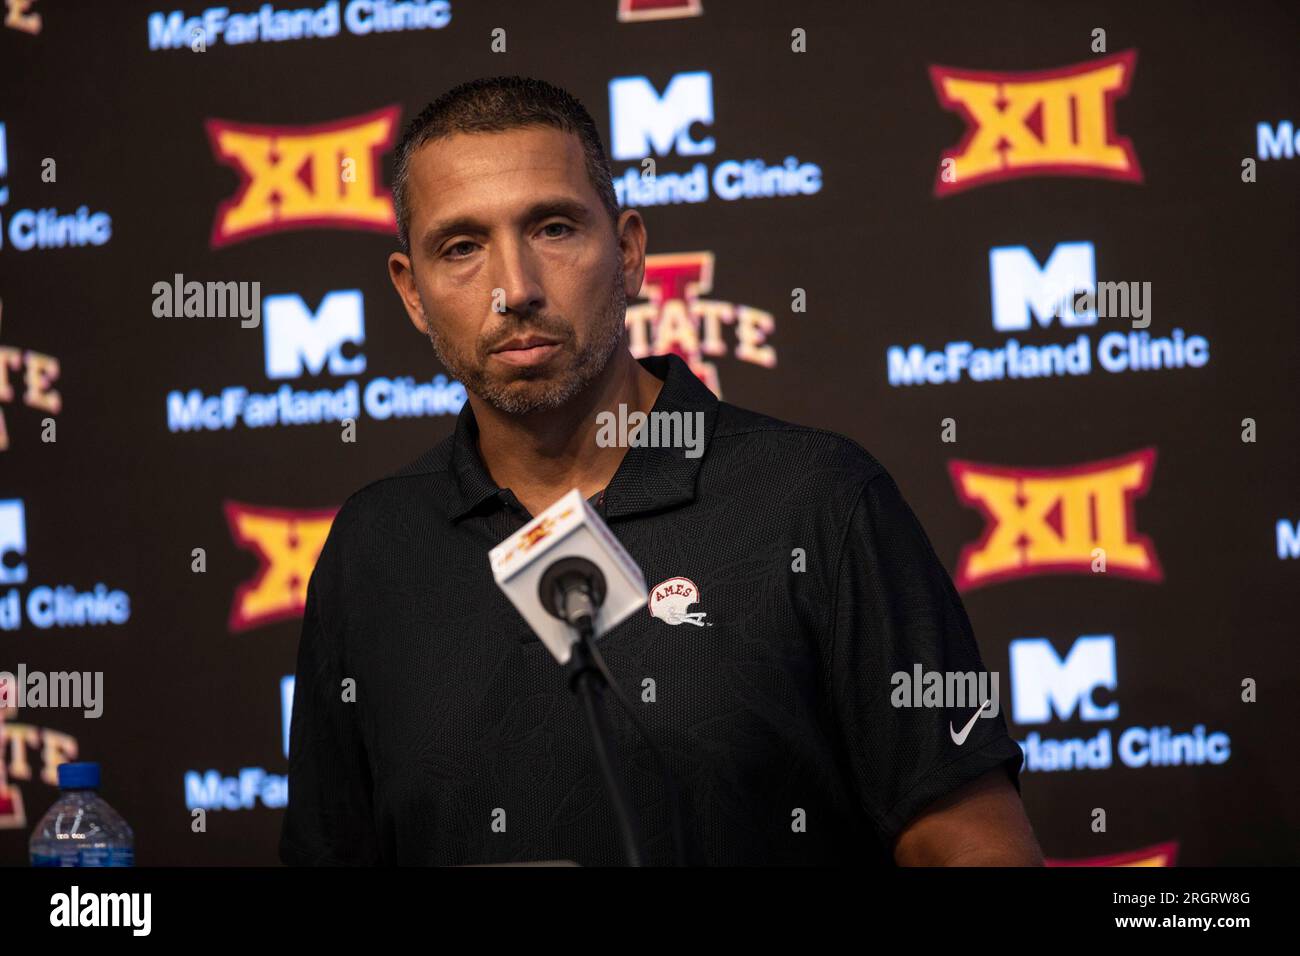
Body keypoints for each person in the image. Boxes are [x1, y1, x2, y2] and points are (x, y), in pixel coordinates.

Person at [279, 75, 1043, 867]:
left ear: (631, 251)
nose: (515, 289)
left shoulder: (817, 502)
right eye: (461, 247)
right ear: (411, 292)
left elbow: (976, 848)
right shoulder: (373, 550)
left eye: (552, 228)